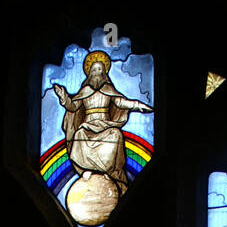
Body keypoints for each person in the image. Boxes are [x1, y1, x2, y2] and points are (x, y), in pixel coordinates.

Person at [52, 51, 153, 193]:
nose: (97, 72)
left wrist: (138, 105)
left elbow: (122, 102)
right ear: (89, 73)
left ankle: (107, 171)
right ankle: (86, 170)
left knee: (115, 135)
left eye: (100, 69)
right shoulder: (84, 91)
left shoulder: (109, 89)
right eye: (94, 69)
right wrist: (64, 98)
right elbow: (73, 107)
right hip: (88, 125)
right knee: (79, 134)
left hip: (106, 125)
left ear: (105, 72)